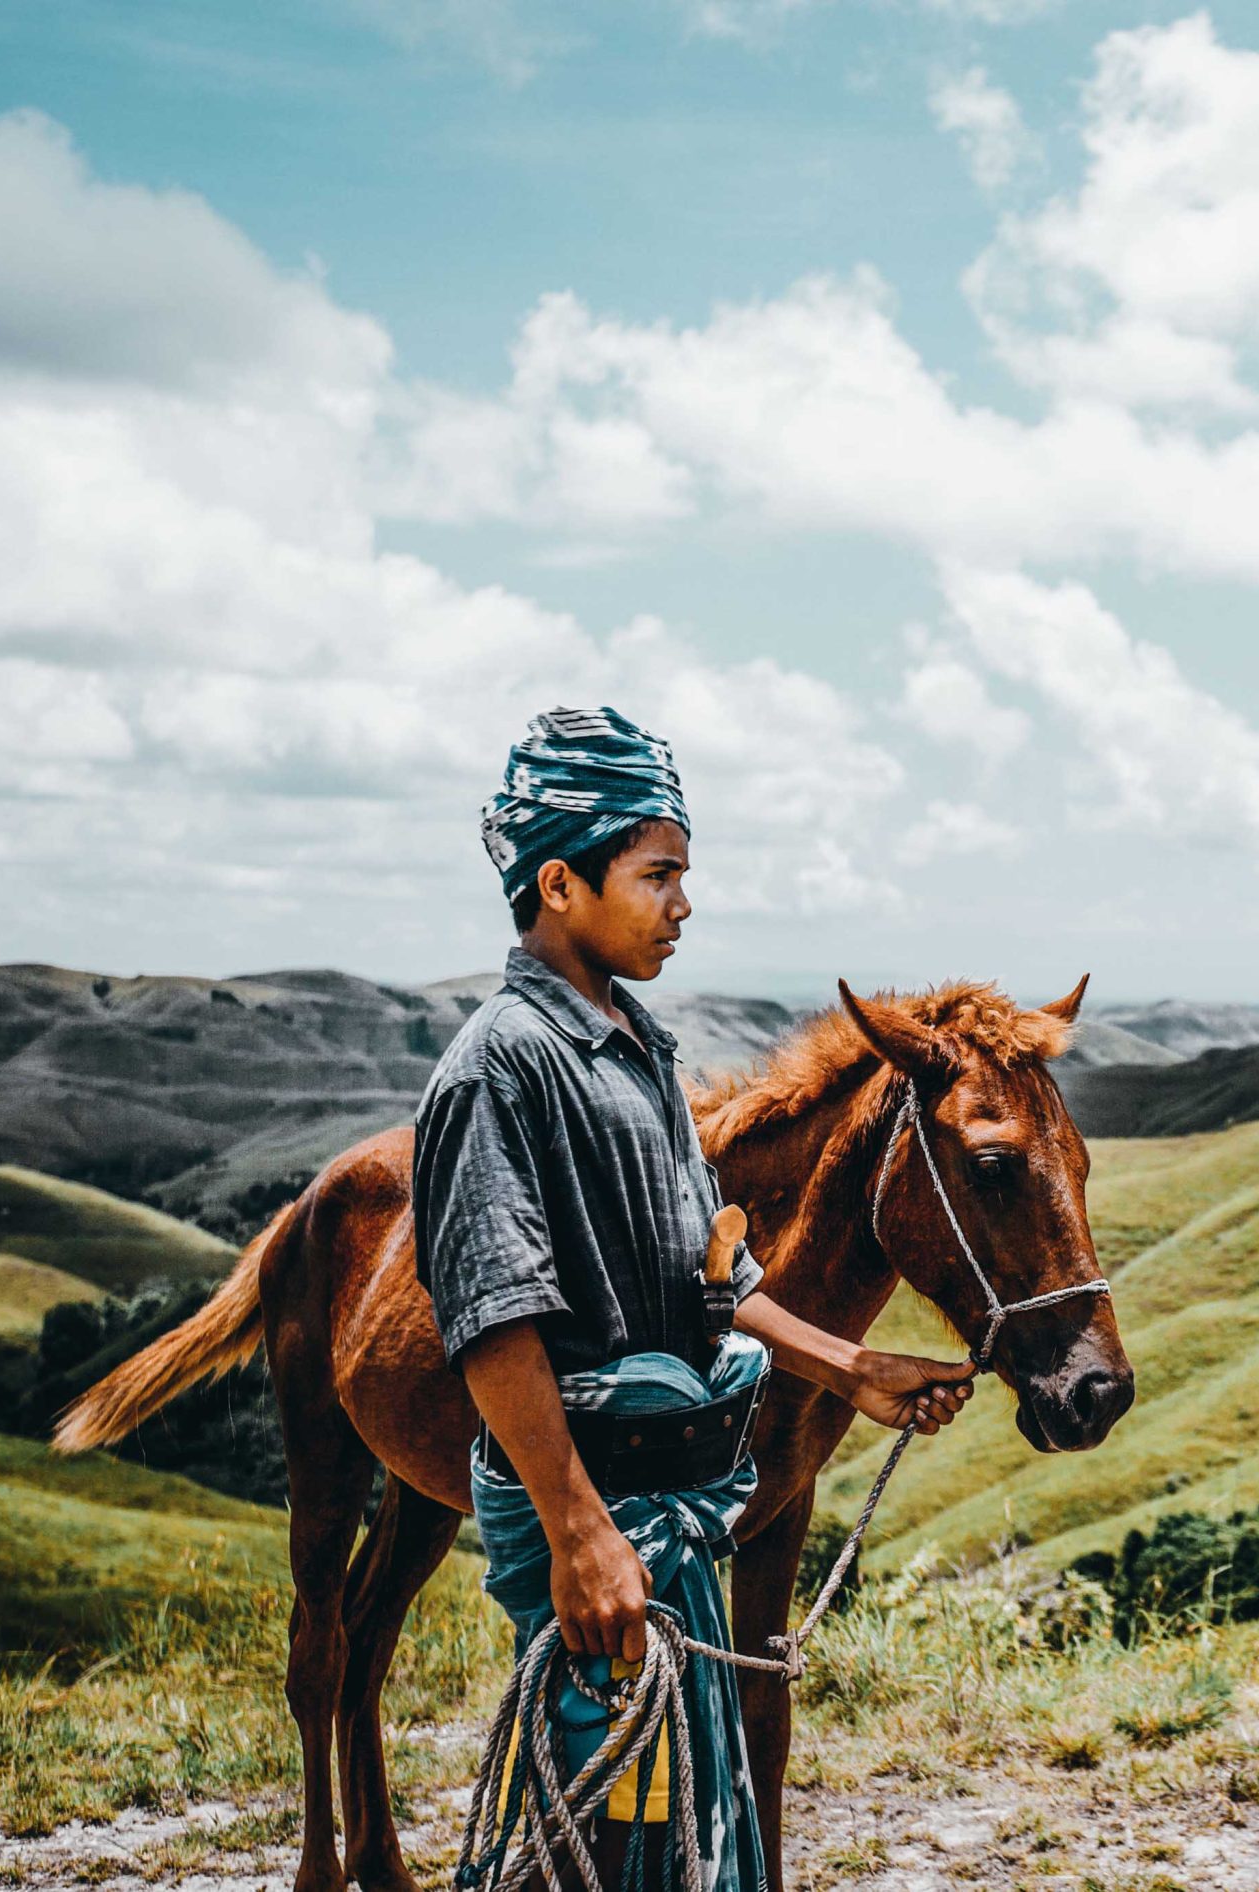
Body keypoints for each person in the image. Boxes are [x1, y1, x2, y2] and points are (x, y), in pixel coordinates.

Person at [415, 705, 975, 1889]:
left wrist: (852, 1367)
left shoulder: (635, 1046)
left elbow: (709, 1272)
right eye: (657, 874)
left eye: (682, 874)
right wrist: (580, 1533)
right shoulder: (499, 1067)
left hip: (666, 1517)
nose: (683, 903)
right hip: (603, 1527)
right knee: (614, 1841)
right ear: (559, 883)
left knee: (687, 1830)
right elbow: (494, 1322)